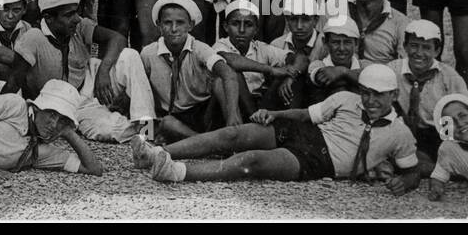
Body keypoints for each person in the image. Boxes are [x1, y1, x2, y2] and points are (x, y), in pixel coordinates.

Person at [133, 63, 420, 193]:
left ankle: (177, 173)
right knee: (236, 134)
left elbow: (413, 170)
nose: (369, 100)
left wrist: (405, 182)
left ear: (393, 96)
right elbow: (306, 115)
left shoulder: (400, 134)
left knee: (252, 161)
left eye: (378, 95)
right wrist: (273, 112)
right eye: (366, 92)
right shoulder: (347, 99)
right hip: (306, 133)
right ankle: (156, 152)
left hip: (320, 161)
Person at [11, 0, 155, 142]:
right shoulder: (34, 37)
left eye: (76, 12)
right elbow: (14, 83)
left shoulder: (79, 26)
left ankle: (147, 129)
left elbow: (118, 38)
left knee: (130, 55)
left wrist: (104, 71)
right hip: (65, 106)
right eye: (69, 15)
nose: (76, 19)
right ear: (48, 17)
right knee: (109, 130)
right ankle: (144, 127)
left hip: (90, 86)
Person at [141, 0, 241, 139]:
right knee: (167, 123)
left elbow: (228, 74)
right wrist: (147, 133)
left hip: (202, 111)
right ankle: (208, 142)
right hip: (173, 117)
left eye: (180, 23)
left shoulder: (200, 48)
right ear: (159, 25)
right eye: (167, 23)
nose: (174, 29)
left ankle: (234, 133)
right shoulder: (148, 53)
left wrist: (232, 115)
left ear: (191, 25)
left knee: (219, 82)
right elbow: (141, 92)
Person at [395, 18, 468, 175]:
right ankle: (435, 169)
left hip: (437, 134)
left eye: (426, 48)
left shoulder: (449, 77)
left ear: (437, 51)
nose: (419, 53)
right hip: (405, 132)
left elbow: (464, 114)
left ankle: (439, 167)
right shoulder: (392, 71)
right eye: (414, 46)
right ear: (405, 46)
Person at [212, 0, 302, 115]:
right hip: (230, 106)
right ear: (225, 27)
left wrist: (290, 77)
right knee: (234, 74)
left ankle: (288, 122)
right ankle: (254, 122)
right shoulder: (220, 45)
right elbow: (231, 60)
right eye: (235, 24)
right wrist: (270, 69)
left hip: (259, 102)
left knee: (290, 74)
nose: (242, 30)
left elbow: (300, 58)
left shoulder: (261, 47)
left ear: (256, 29)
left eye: (248, 25)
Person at [269, 0, 322, 108]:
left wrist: (292, 76)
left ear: (316, 20)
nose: (299, 26)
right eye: (293, 19)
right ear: (287, 20)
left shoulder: (324, 44)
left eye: (305, 19)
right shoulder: (277, 44)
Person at [307, 15, 362, 101]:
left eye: (347, 42)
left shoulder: (364, 65)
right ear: (325, 42)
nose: (342, 48)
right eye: (335, 42)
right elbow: (323, 78)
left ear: (356, 43)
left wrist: (342, 71)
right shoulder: (317, 65)